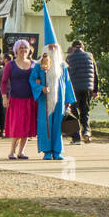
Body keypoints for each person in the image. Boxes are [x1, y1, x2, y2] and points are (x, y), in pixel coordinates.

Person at [30, 30, 76, 161]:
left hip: (59, 100)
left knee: (57, 125)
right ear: (45, 48)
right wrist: (40, 88)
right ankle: (47, 151)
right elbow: (32, 80)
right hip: (45, 100)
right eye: (50, 47)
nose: (52, 49)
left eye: (55, 47)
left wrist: (68, 101)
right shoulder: (39, 66)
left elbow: (67, 83)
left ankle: (57, 150)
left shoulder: (62, 65)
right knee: (46, 125)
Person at [1, 39, 38, 160]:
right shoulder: (10, 65)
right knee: (17, 127)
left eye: (25, 48)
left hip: (30, 99)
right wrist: (4, 97)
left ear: (29, 50)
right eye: (21, 48)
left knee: (26, 127)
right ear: (16, 50)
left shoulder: (34, 64)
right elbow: (4, 82)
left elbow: (39, 78)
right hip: (16, 99)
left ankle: (21, 152)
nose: (23, 50)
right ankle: (11, 151)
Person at [66, 39, 98, 143]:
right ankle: (87, 132)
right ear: (82, 47)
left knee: (73, 112)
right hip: (87, 87)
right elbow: (95, 74)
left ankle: (76, 137)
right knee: (85, 111)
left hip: (74, 88)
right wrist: (95, 90)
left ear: (73, 47)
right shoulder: (90, 56)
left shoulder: (69, 58)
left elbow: (66, 75)